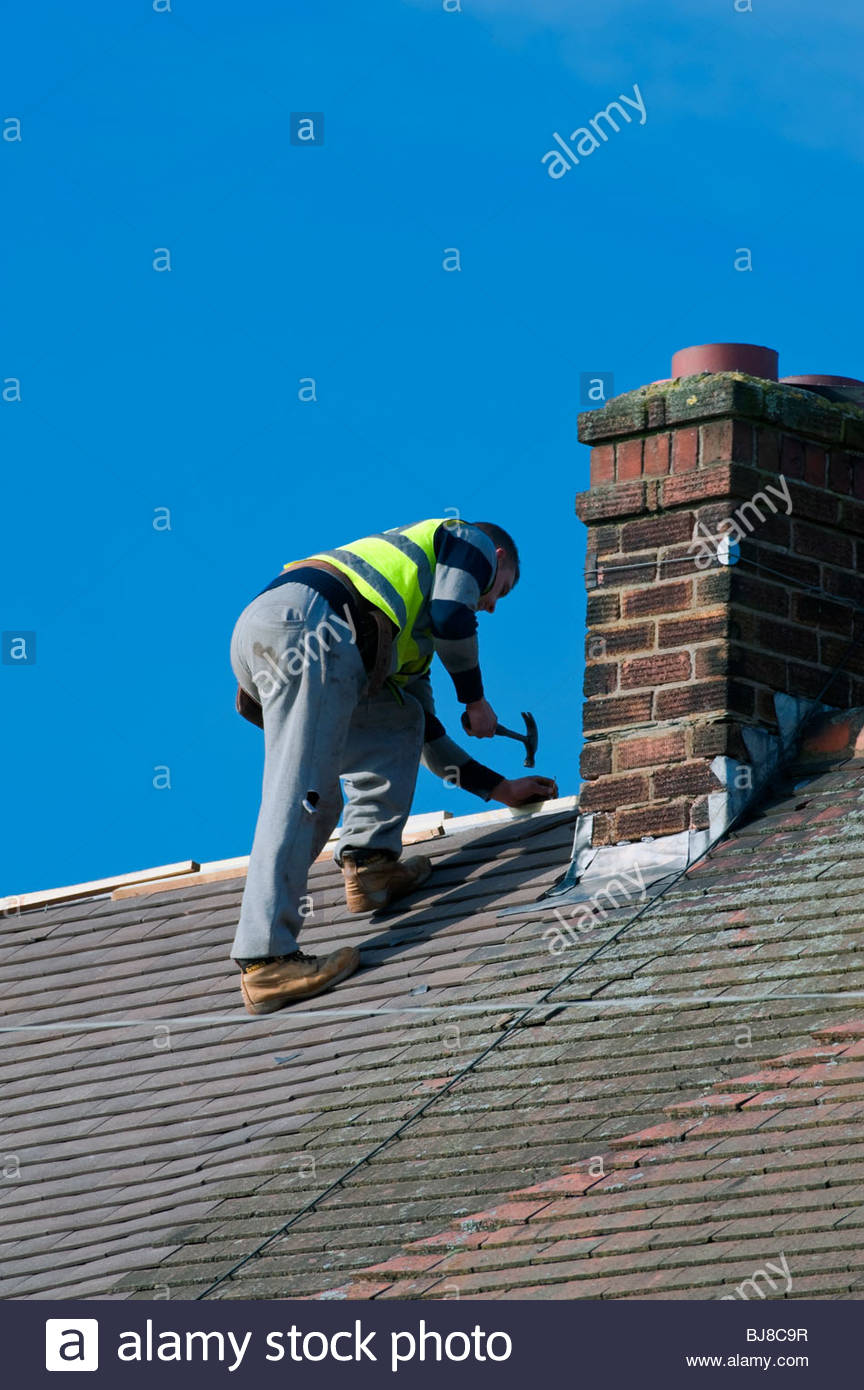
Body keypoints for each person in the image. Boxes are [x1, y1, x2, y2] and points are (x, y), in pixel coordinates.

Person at [229, 516, 558, 1015]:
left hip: (306, 634)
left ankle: (371, 867)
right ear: (497, 558)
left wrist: (501, 789)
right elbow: (454, 615)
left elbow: (427, 737)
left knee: (399, 719)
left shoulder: (407, 641)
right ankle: (266, 959)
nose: (490, 606)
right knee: (305, 794)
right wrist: (475, 699)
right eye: (502, 590)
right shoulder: (463, 537)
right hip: (310, 627)